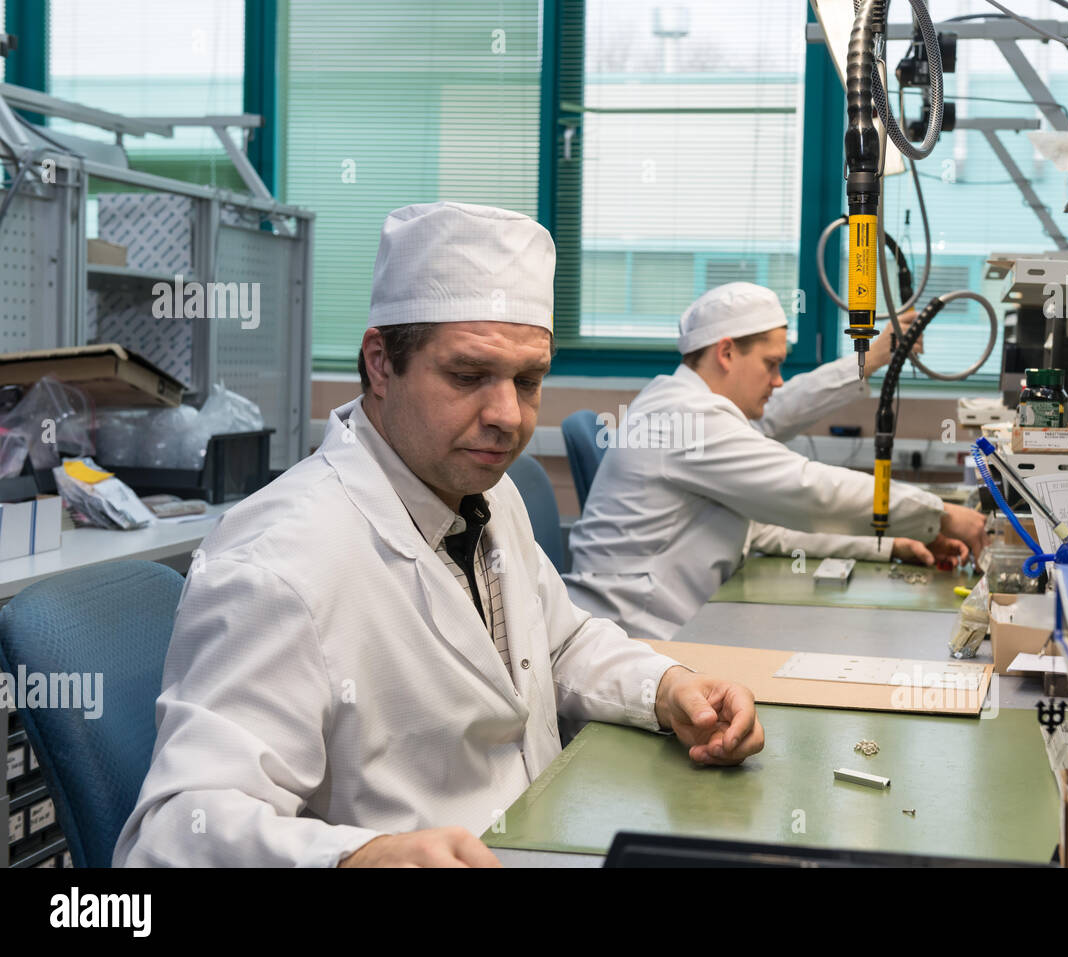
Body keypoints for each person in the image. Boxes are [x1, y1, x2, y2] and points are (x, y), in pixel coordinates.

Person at [114, 203, 763, 869]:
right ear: (379, 364)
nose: (507, 416)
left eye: (528, 380)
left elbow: (560, 641)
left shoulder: (482, 490)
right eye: (467, 375)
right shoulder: (279, 563)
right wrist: (357, 857)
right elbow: (174, 835)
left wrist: (668, 686)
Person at [564, 282, 985, 643]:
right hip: (631, 640)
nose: (778, 379)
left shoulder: (687, 408)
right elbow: (807, 491)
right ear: (726, 353)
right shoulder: (687, 419)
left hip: (660, 629)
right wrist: (941, 514)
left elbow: (765, 525)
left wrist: (892, 542)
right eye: (772, 364)